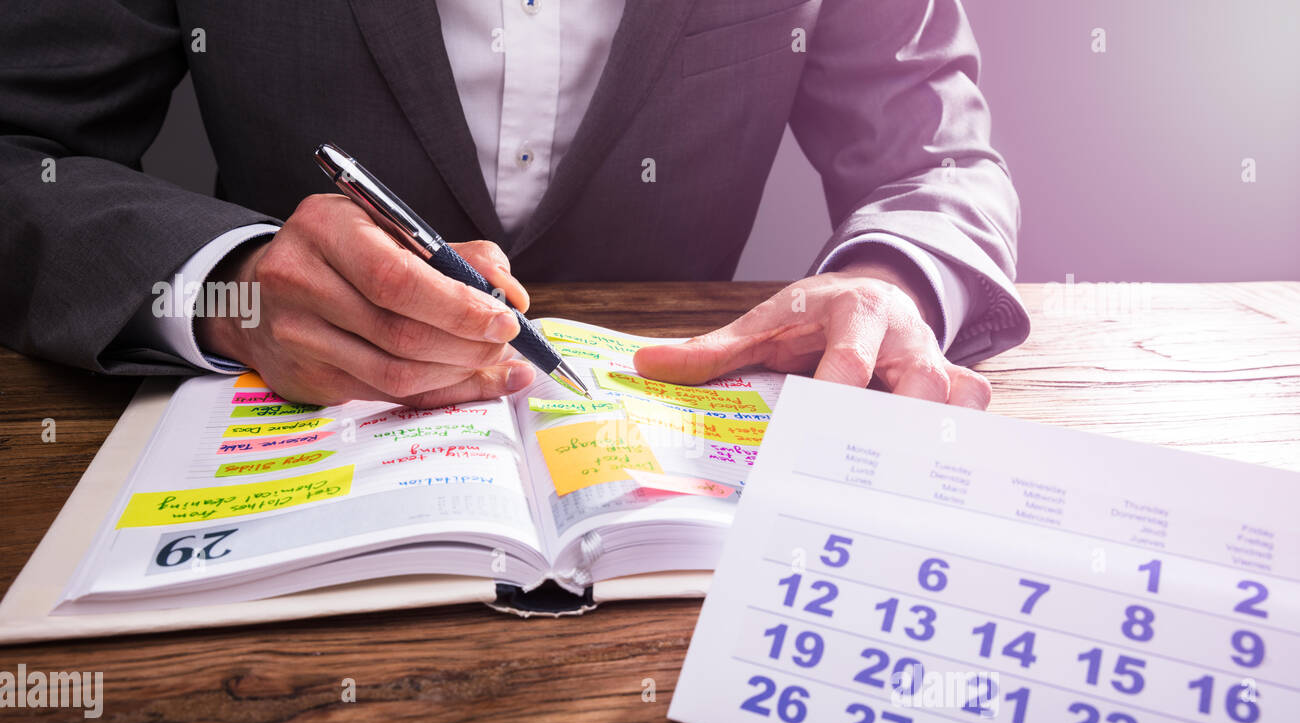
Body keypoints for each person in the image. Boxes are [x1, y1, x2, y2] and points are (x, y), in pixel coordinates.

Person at [0, 0, 1028, 410]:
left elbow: (937, 162)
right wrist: (230, 284)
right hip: (290, 448)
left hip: (670, 535)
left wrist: (893, 279)